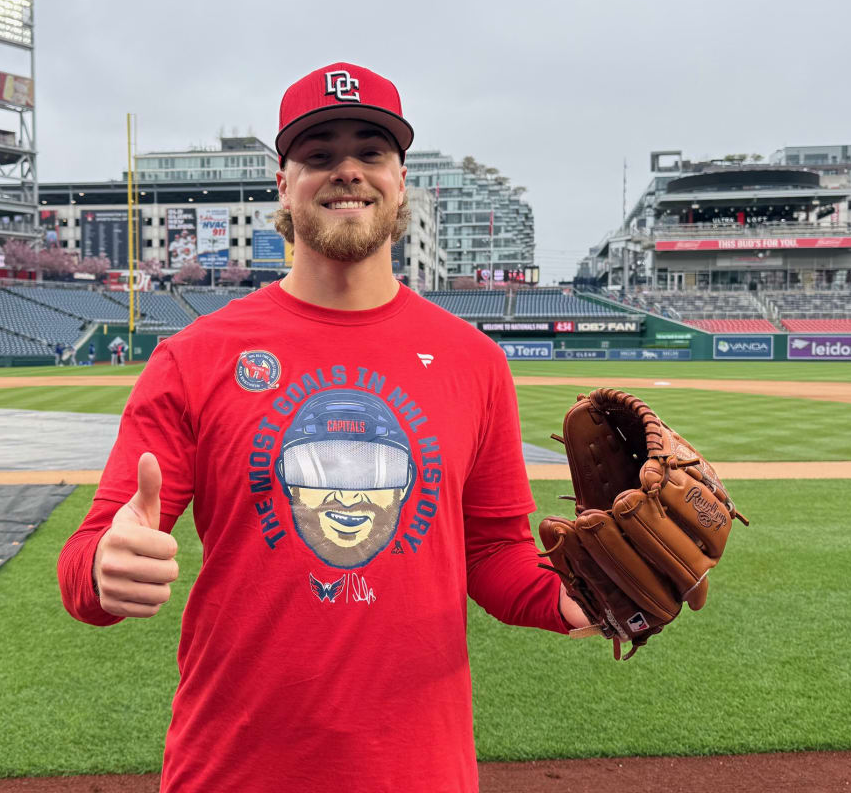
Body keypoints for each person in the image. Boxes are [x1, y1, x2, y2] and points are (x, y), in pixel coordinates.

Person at [57, 62, 587, 793]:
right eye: (318, 154)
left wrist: (572, 598)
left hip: (418, 772)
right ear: (283, 182)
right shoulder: (195, 358)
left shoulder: (475, 362)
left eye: (370, 151)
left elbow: (494, 552)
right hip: (234, 770)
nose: (347, 171)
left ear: (401, 180)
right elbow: (85, 563)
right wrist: (104, 570)